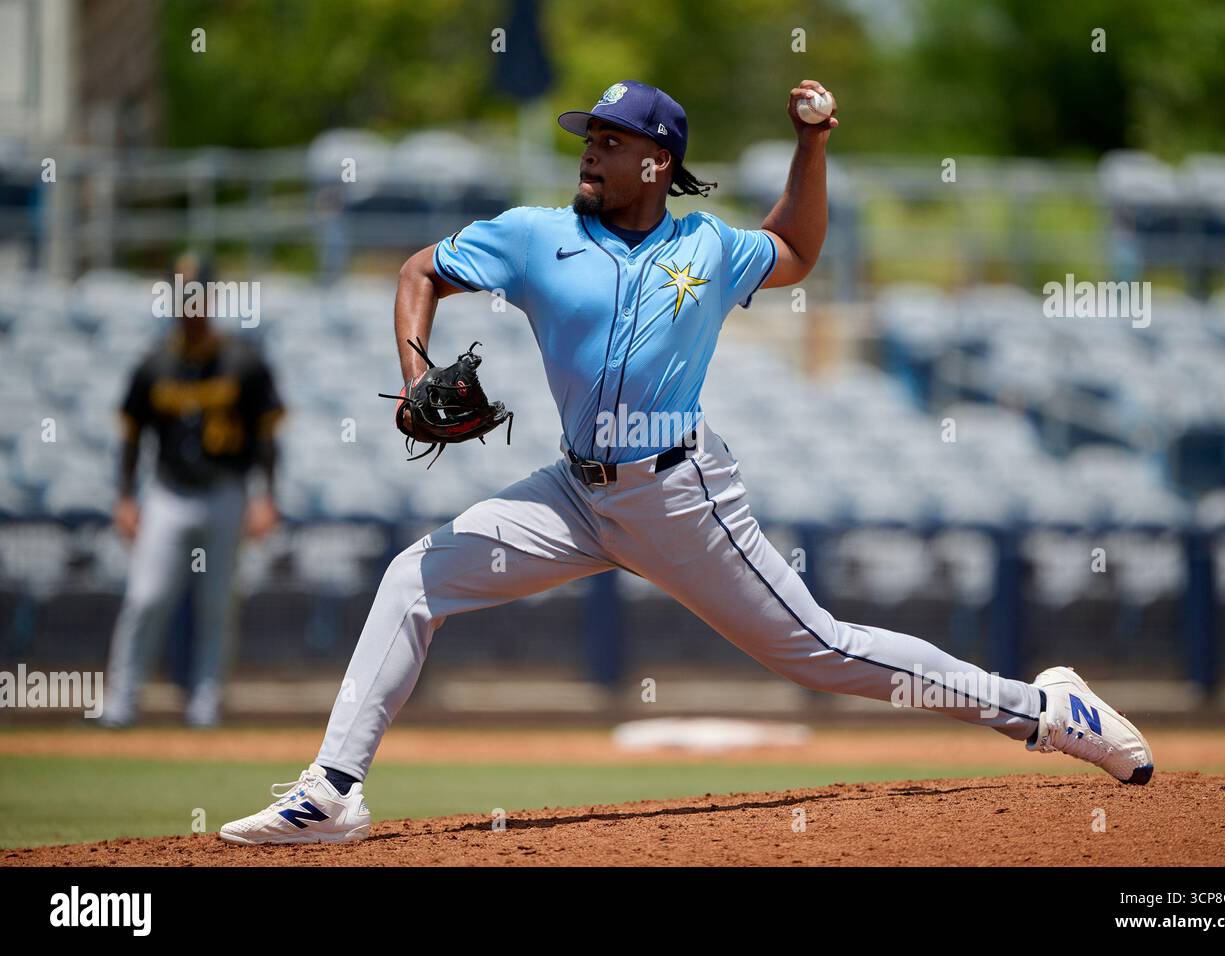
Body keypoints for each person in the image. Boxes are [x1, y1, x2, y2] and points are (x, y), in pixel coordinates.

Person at [219, 80, 1152, 846]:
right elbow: (418, 270)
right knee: (413, 579)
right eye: (589, 135)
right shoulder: (531, 233)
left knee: (824, 654)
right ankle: (334, 790)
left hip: (679, 495)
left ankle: (1043, 710)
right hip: (574, 495)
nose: (590, 149)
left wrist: (811, 145)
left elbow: (795, 249)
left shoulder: (707, 246)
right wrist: (415, 370)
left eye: (612, 139)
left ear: (657, 162)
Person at [101, 252, 284, 729]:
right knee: (146, 597)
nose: (190, 304)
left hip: (226, 492)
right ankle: (121, 704)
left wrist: (267, 496)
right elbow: (131, 435)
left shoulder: (242, 361)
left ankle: (205, 707)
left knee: (217, 603)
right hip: (166, 492)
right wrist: (124, 496)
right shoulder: (154, 363)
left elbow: (266, 437)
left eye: (197, 293)